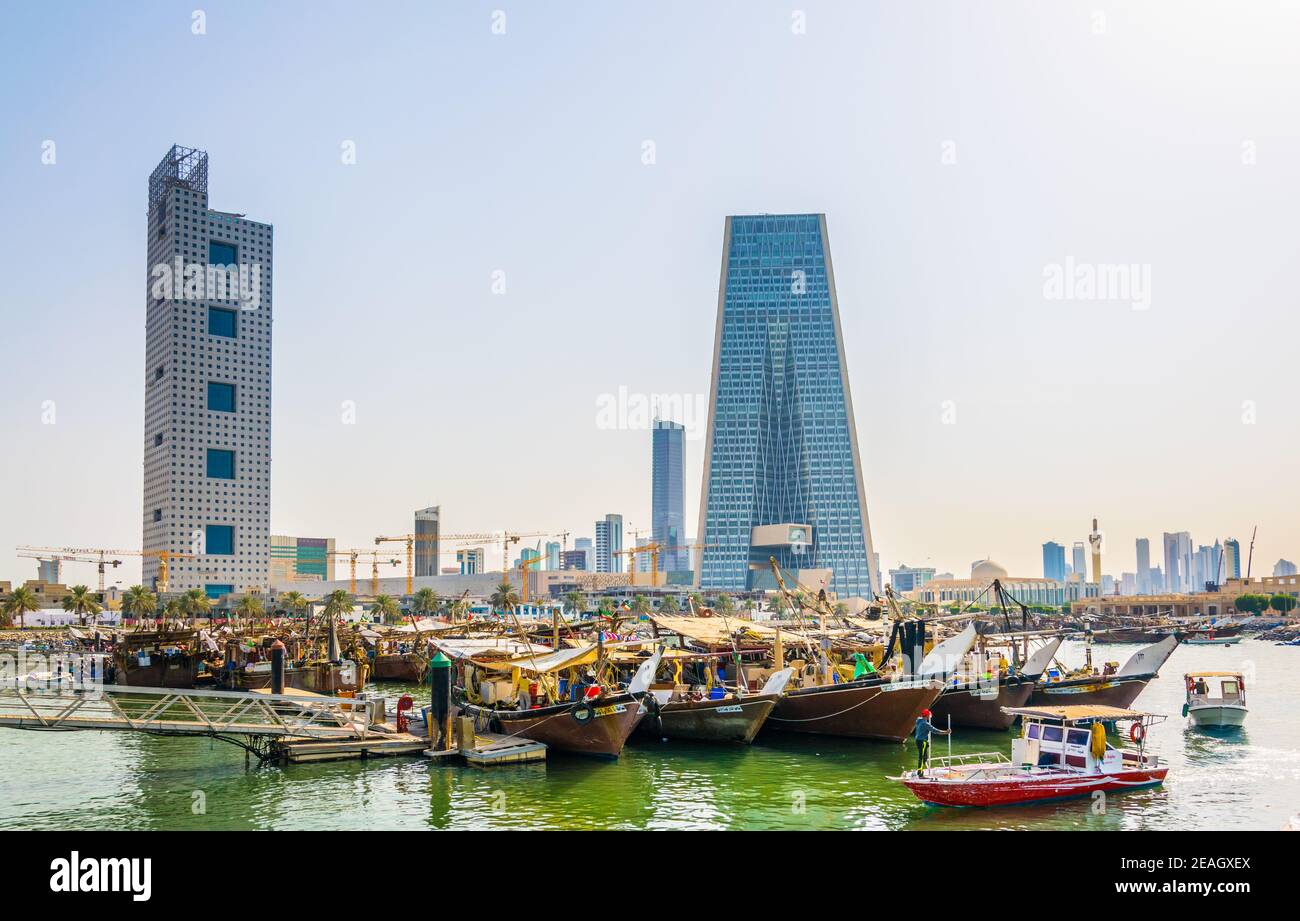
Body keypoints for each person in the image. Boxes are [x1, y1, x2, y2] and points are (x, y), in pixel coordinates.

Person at [913, 708, 950, 777]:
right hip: (922, 741)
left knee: (925, 757)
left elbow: (920, 718)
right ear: (927, 716)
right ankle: (920, 773)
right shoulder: (925, 724)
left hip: (918, 740)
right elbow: (935, 730)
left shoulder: (918, 720)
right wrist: (946, 732)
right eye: (929, 715)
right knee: (922, 757)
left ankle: (920, 771)